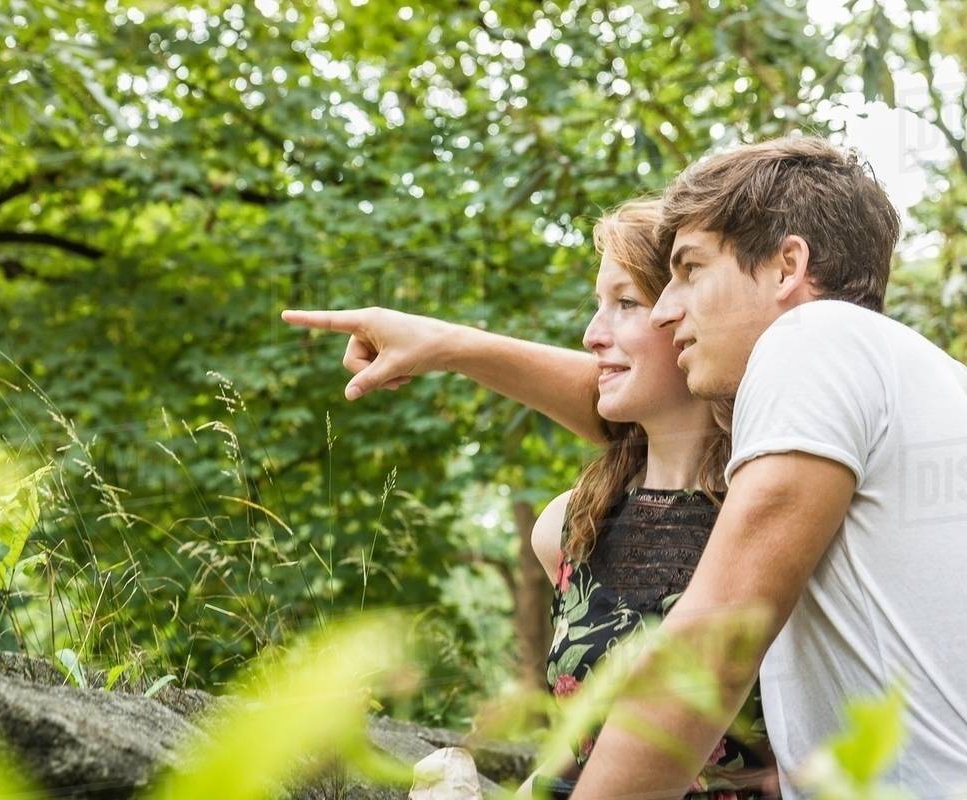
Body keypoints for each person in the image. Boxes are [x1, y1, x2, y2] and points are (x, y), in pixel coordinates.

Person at [288, 136, 967, 797]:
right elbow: (641, 415)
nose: (673, 312)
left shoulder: (813, 339)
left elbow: (708, 647)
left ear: (788, 267)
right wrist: (448, 344)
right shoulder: (888, 379)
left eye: (691, 270)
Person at [285, 198, 776, 797]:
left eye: (626, 303)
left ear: (686, 314)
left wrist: (449, 345)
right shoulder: (572, 527)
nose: (593, 336)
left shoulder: (773, 509)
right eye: (599, 305)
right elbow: (578, 756)